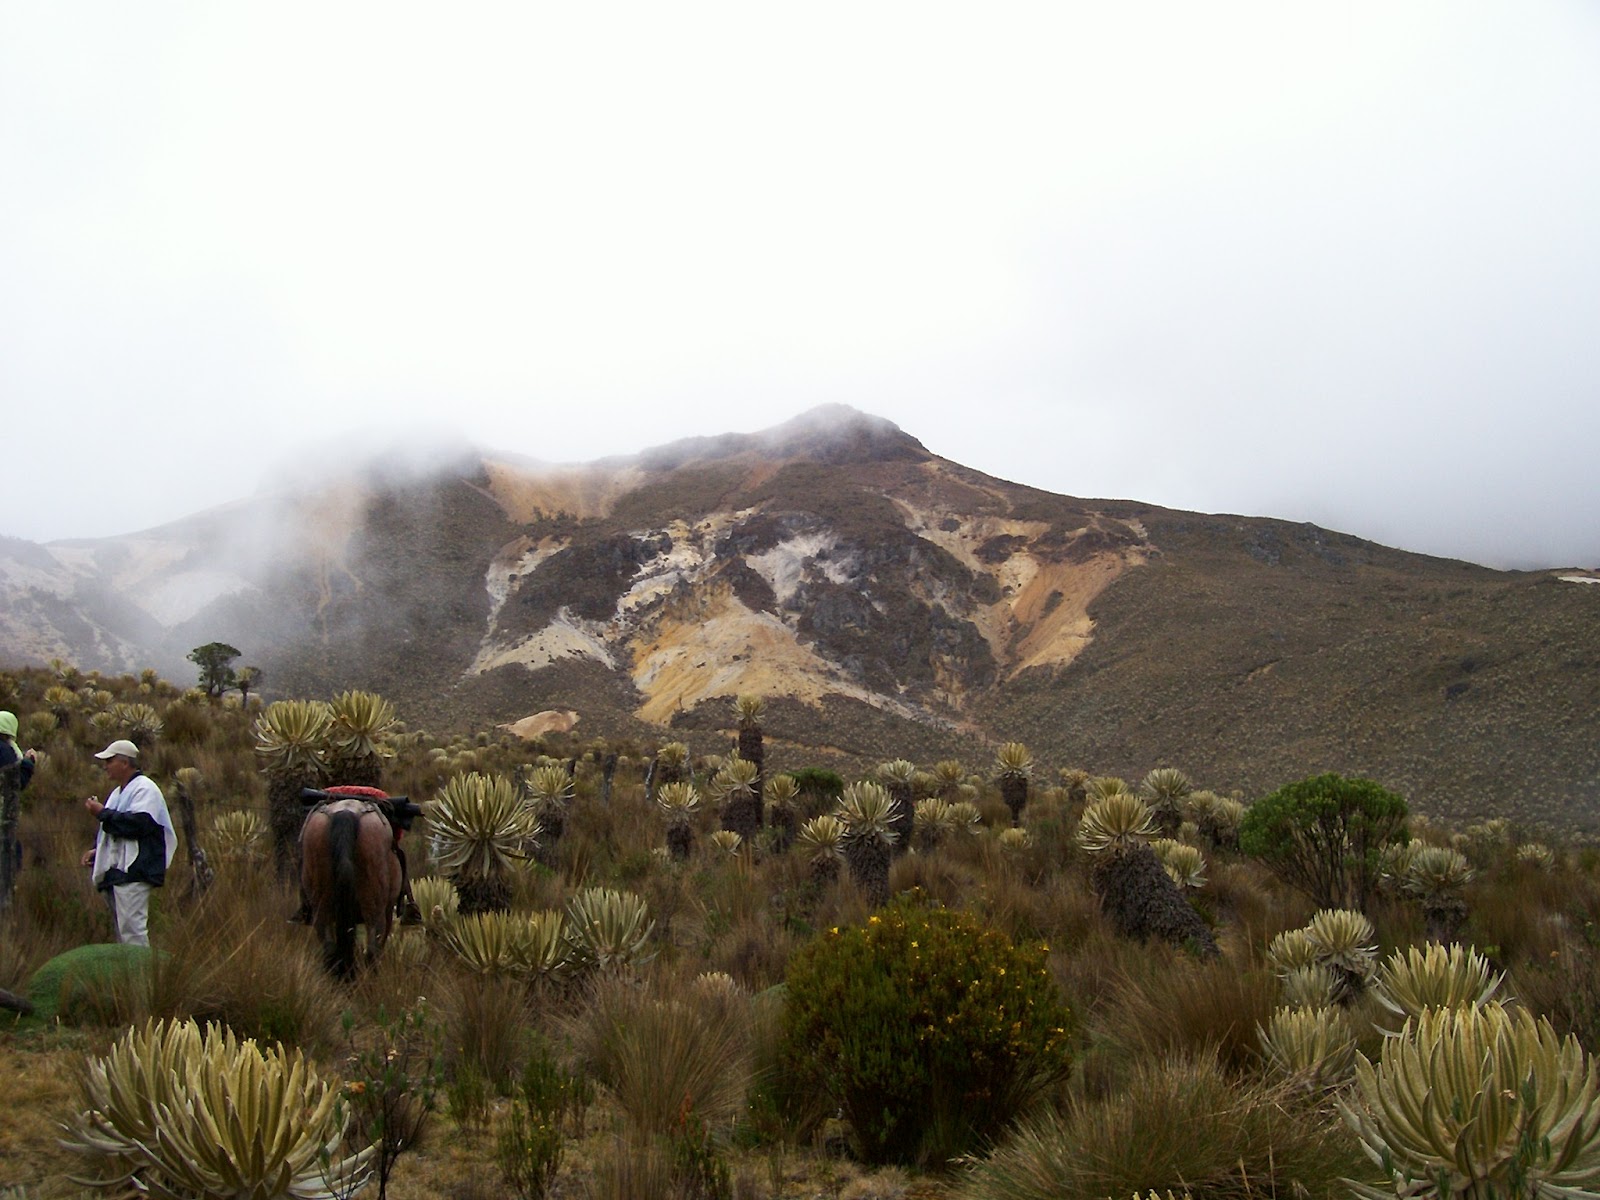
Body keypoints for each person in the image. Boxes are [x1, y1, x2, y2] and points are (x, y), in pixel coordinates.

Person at [79, 739, 177, 947]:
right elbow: (120, 829)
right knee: (123, 932)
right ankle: (130, 967)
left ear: (125, 763)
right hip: (120, 872)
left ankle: (141, 968)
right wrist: (98, 852)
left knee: (132, 931)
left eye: (110, 761)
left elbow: (138, 825)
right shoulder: (119, 793)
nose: (105, 766)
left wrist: (102, 813)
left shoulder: (145, 789)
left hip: (136, 870)